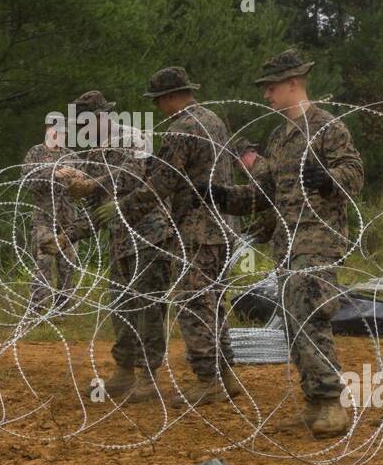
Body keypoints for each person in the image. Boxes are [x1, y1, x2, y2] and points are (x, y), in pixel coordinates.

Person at [200, 49, 365, 437]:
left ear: (294, 83)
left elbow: (354, 174)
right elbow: (264, 192)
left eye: (271, 87)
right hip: (286, 241)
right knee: (293, 320)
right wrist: (223, 196)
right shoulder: (278, 136)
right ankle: (315, 401)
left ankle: (331, 403)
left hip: (317, 239)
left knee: (309, 316)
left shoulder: (327, 127)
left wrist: (327, 176)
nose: (265, 95)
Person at [99, 67, 241, 406]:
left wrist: (124, 209)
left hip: (196, 228)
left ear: (171, 97)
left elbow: (161, 184)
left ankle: (207, 380)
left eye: (159, 100)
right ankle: (227, 374)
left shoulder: (181, 129)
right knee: (214, 302)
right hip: (224, 223)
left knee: (194, 304)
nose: (158, 108)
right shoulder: (214, 120)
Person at [61, 90, 173, 403]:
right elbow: (97, 209)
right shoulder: (94, 154)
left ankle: (149, 377)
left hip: (150, 233)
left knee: (147, 306)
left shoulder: (134, 138)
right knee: (120, 306)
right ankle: (124, 371)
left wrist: (92, 183)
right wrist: (67, 236)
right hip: (121, 240)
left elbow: (130, 178)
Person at [21, 113, 79, 313]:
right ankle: (37, 307)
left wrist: (77, 178)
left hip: (68, 220)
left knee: (67, 265)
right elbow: (27, 181)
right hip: (44, 219)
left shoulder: (71, 156)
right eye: (54, 128)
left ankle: (62, 309)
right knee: (43, 262)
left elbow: (84, 184)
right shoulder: (35, 153)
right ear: (47, 129)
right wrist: (52, 174)